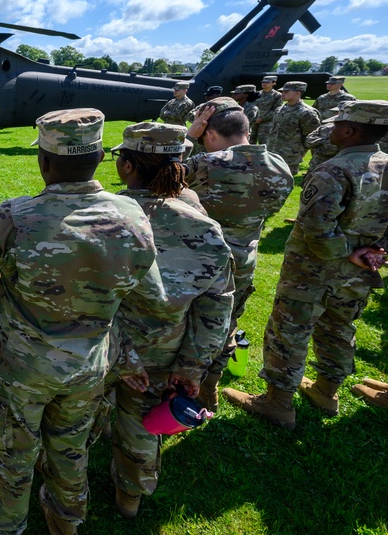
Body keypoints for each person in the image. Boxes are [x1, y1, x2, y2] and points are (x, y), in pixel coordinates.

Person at [0, 109, 157, 535]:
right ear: (102, 154)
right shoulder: (135, 217)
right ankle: (66, 520)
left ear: (44, 162)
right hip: (89, 361)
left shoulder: (9, 216)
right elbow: (142, 283)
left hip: (20, 364)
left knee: (12, 446)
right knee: (71, 447)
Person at [224, 100, 388, 430]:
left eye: (337, 125)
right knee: (339, 328)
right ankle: (327, 392)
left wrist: (346, 253)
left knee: (290, 332)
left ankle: (278, 402)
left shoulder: (333, 170)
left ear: (351, 131)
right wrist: (376, 249)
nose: (332, 130)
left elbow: (316, 225)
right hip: (360, 271)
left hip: (313, 272)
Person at [100, 122, 233, 520]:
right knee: (142, 425)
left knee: (78, 415)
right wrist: (193, 365)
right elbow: (217, 305)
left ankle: (62, 484)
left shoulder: (102, 217)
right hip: (163, 352)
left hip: (100, 347)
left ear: (126, 166)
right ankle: (131, 498)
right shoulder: (203, 226)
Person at [184, 99, 294, 409]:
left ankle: (181, 388)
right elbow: (270, 211)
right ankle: (209, 388)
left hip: (199, 261)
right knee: (226, 323)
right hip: (244, 259)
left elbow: (159, 174)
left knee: (187, 324)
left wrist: (188, 136)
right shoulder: (279, 165)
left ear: (210, 133)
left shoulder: (207, 163)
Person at [262, 81, 321, 176]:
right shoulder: (280, 109)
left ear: (298, 93)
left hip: (289, 156)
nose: (283, 94)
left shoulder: (307, 113)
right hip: (272, 152)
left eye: (286, 92)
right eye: (282, 91)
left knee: (284, 184)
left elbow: (311, 137)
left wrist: (300, 153)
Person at [252, 75, 282, 144]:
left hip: (266, 124)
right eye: (263, 82)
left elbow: (276, 110)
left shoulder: (277, 95)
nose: (264, 84)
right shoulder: (257, 94)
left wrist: (262, 119)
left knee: (264, 144)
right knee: (249, 143)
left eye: (267, 82)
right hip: (253, 122)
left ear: (273, 83)